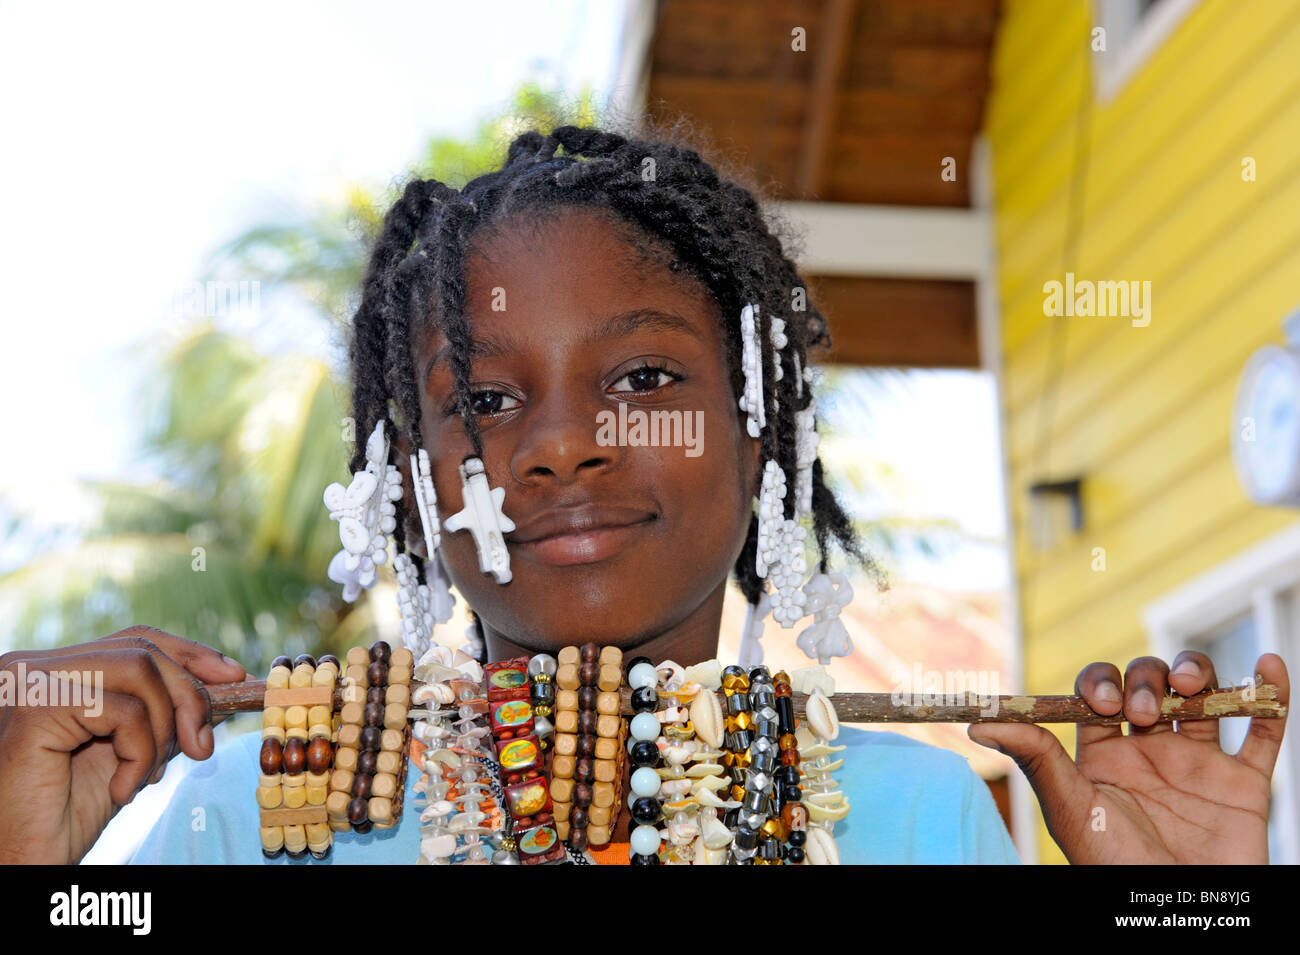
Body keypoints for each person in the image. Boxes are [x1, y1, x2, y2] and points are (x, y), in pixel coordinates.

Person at [1, 125, 1289, 865]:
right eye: (486, 402)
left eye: (640, 377)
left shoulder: (914, 820)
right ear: (410, 476)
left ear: (758, 428)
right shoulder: (248, 821)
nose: (560, 449)